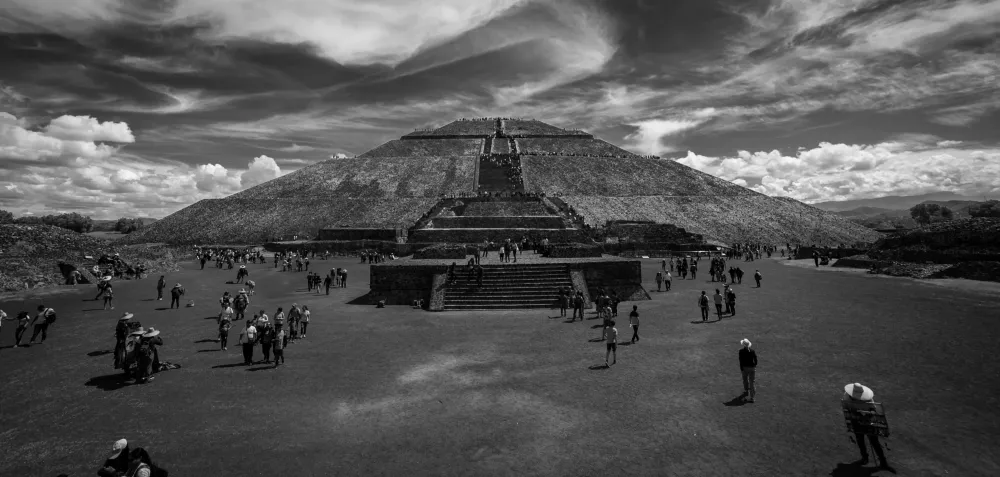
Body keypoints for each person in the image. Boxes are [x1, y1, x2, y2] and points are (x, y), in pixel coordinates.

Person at [842, 383, 893, 471]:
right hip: (856, 421)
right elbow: (846, 407)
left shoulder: (868, 399)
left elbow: (873, 409)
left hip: (868, 421)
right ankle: (864, 458)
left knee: (874, 442)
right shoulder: (847, 396)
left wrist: (867, 416)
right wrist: (855, 414)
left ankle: (883, 462)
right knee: (860, 440)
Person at [739, 338, 757, 403]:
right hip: (752, 368)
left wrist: (741, 369)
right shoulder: (752, 351)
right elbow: (755, 359)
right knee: (752, 382)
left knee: (745, 380)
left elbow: (740, 361)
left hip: (745, 368)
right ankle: (752, 398)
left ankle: (746, 390)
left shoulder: (741, 351)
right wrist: (754, 365)